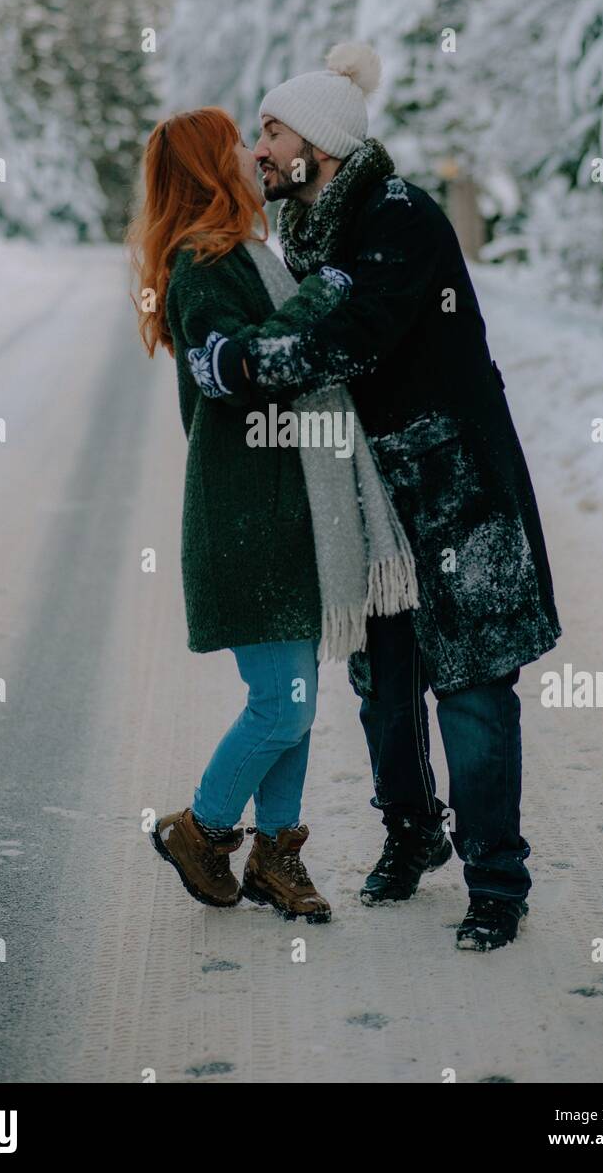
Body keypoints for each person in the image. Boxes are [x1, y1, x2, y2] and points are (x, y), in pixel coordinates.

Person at [187, 45, 563, 951]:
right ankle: (411, 833)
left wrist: (239, 366)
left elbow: (346, 336)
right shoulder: (312, 229)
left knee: (471, 689)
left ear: (319, 143)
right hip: (379, 499)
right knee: (383, 685)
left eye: (273, 132)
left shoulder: (398, 217)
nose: (260, 148)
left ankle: (495, 882)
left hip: (455, 486)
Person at [128, 105, 419, 925]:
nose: (254, 154)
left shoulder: (247, 253)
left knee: (295, 701)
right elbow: (236, 372)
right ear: (206, 169)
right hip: (243, 514)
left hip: (290, 510)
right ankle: (201, 829)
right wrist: (317, 300)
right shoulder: (197, 268)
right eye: (236, 146)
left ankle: (276, 860)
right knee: (282, 705)